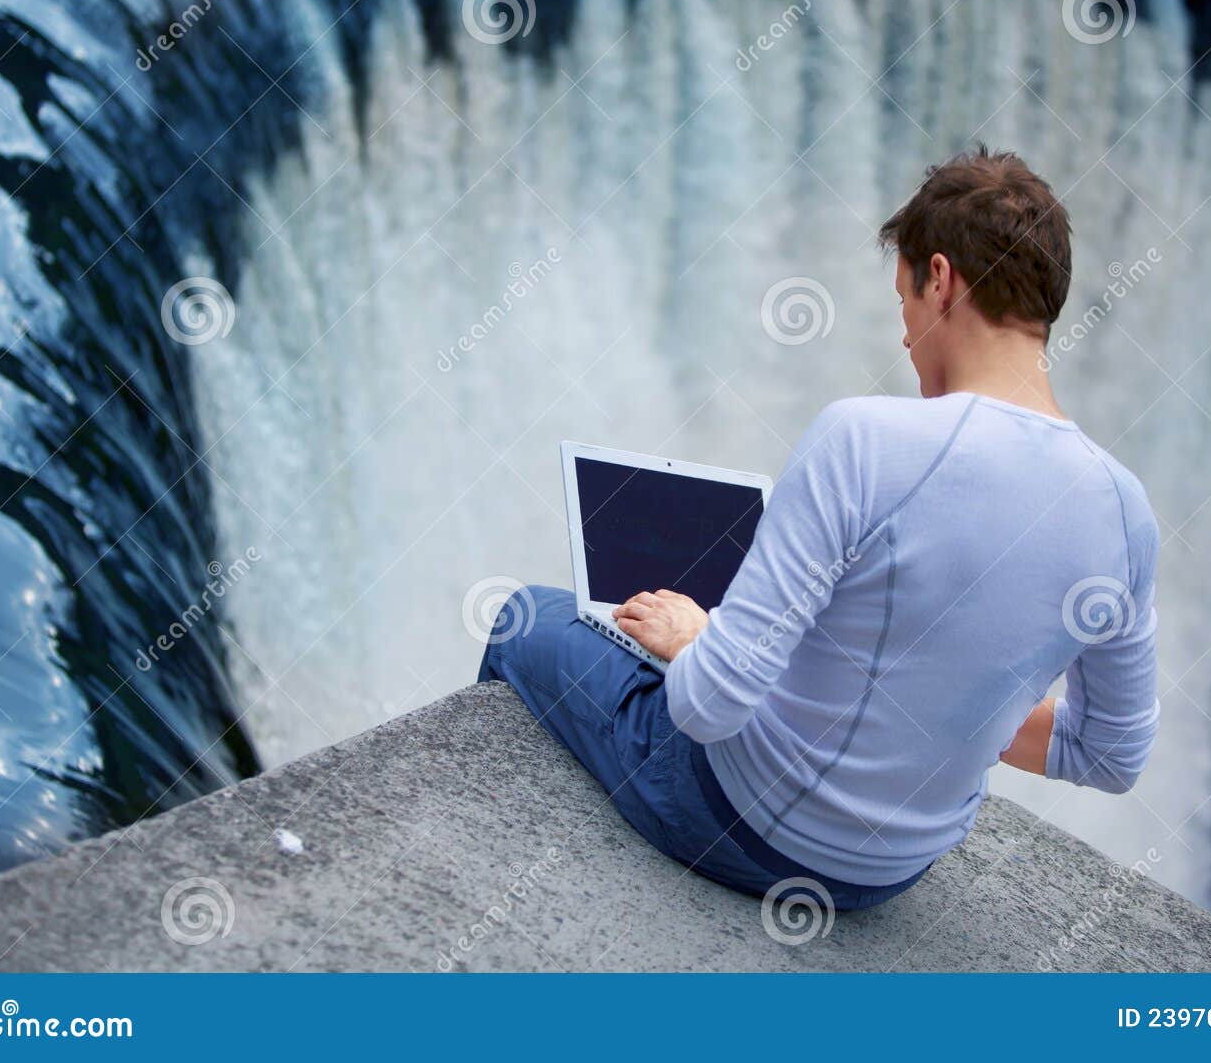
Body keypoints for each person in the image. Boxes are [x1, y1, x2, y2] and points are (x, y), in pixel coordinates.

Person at [479, 145, 1160, 913]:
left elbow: (708, 706)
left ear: (940, 279)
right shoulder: (1126, 511)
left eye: (904, 300)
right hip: (890, 874)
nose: (905, 338)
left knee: (526, 615)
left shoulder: (864, 439)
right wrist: (962, 697)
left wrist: (694, 636)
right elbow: (1109, 753)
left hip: (735, 823)